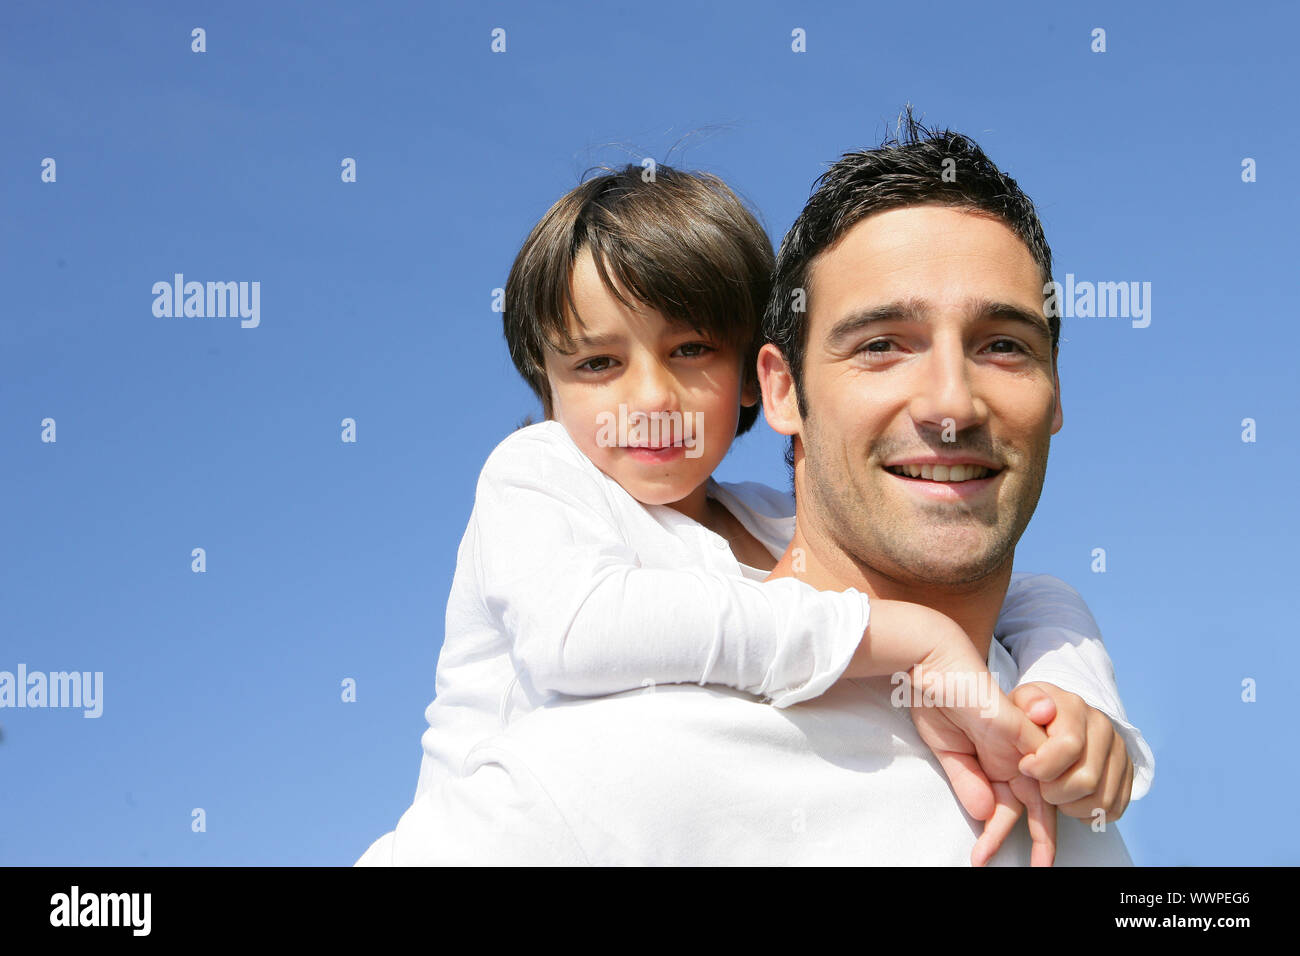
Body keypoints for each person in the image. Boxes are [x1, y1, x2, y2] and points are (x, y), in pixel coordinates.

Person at [357, 120, 1152, 864]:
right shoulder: (543, 495)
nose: (650, 400)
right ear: (780, 389)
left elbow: (1038, 596)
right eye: (881, 344)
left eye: (1003, 345)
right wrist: (909, 639)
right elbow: (581, 635)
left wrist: (1072, 691)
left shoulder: (762, 537)